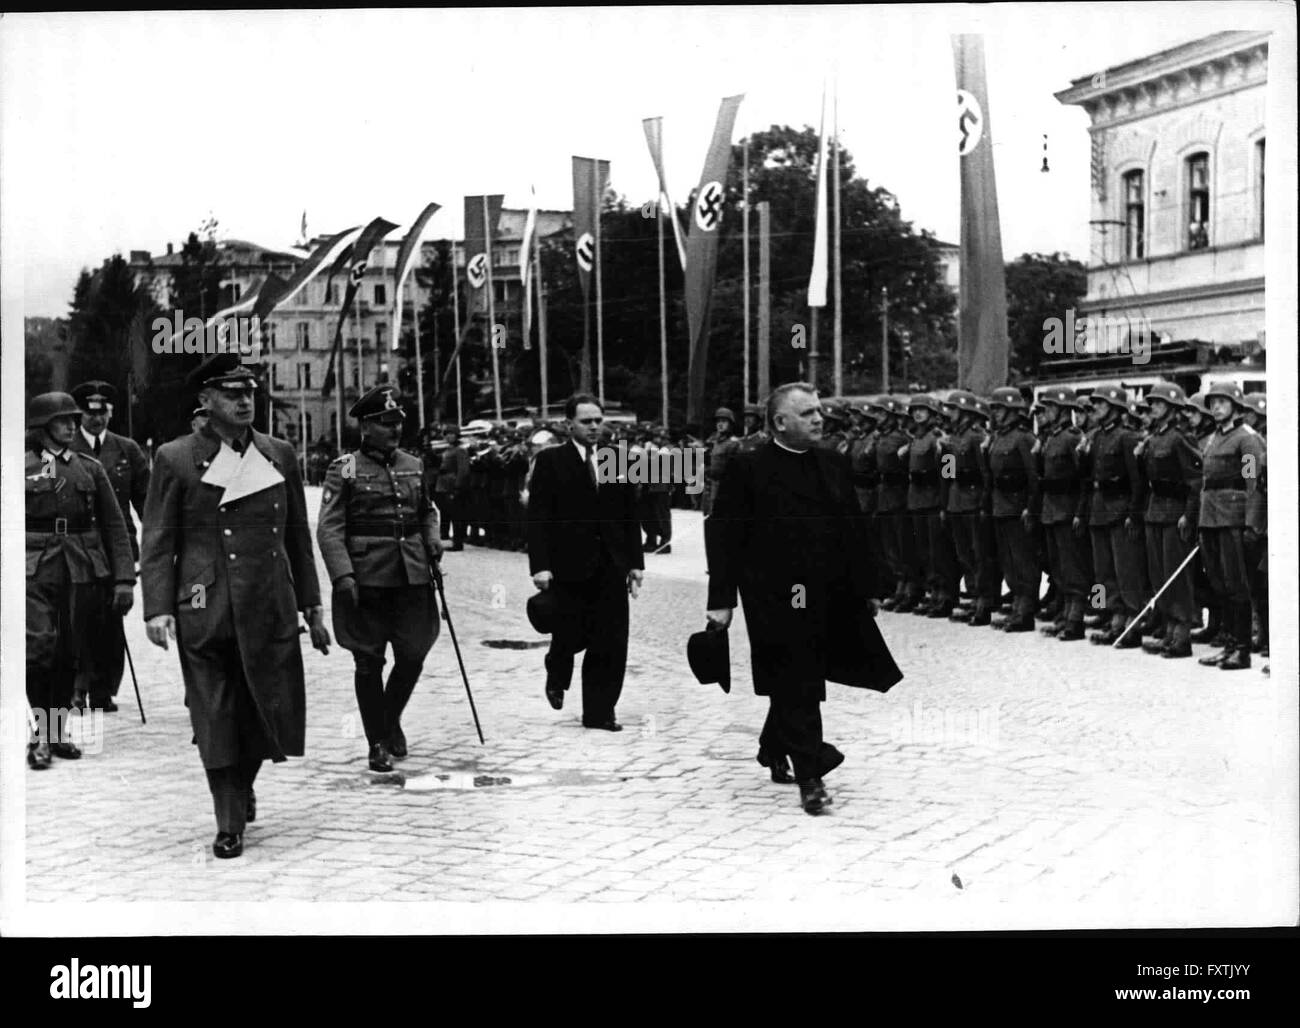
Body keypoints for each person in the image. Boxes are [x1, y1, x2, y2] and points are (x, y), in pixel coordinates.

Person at [141, 354, 331, 860]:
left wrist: (312, 604)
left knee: (265, 709)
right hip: (206, 604)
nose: (245, 401)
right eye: (231, 393)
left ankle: (242, 783)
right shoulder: (176, 457)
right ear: (205, 400)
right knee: (215, 713)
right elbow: (158, 539)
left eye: (249, 391)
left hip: (269, 602)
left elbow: (297, 537)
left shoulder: (278, 453)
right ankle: (229, 821)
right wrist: (157, 607)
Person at [706, 382, 897, 815]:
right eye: (808, 413)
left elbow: (854, 528)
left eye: (818, 411)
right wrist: (722, 600)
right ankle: (811, 775)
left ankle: (774, 744)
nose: (818, 419)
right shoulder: (747, 467)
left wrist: (868, 588)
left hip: (826, 590)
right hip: (774, 595)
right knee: (798, 674)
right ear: (780, 422)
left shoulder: (832, 462)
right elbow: (725, 538)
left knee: (801, 672)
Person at [317, 385, 443, 772]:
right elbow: (329, 528)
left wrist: (432, 537)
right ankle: (377, 741)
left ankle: (389, 719)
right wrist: (342, 576)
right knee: (368, 661)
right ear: (366, 427)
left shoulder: (413, 464)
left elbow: (427, 510)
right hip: (367, 578)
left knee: (414, 652)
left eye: (398, 422)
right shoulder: (346, 467)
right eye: (386, 423)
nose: (395, 430)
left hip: (412, 575)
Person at [25, 392, 136, 769]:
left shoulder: (89, 468)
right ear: (43, 426)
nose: (72, 426)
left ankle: (57, 732)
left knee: (70, 652)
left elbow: (114, 526)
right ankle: (40, 734)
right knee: (39, 647)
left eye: (74, 419)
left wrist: (124, 579)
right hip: (35, 567)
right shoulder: (20, 466)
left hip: (81, 568)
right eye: (63, 420)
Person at [527, 394, 644, 730]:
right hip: (568, 565)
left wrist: (635, 563)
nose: (594, 427)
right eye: (586, 421)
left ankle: (599, 711)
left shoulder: (617, 459)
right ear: (569, 425)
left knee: (611, 641)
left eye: (597, 420)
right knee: (570, 632)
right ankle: (556, 669)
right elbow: (538, 517)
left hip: (611, 564)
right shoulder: (551, 460)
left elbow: (629, 515)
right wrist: (540, 565)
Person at [67, 380, 150, 713]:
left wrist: (157, 542)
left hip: (118, 548)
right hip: (78, 548)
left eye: (103, 413)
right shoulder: (66, 448)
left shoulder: (127, 450)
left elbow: (146, 502)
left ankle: (104, 689)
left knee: (112, 619)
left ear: (111, 413)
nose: (97, 419)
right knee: (77, 617)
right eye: (90, 413)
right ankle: (78, 686)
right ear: (79, 414)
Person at [1195, 382, 1265, 670]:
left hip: (1233, 519)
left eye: (1222, 402)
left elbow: (1253, 483)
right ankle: (1229, 644)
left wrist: (1252, 523)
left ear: (1236, 406)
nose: (1216, 407)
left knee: (1237, 585)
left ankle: (1242, 650)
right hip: (1211, 518)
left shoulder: (1246, 439)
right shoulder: (1214, 438)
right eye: (1213, 402)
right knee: (1220, 584)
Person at [1134, 383, 1202, 659]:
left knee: (1177, 575)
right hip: (1155, 511)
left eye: (1159, 403)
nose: (1153, 407)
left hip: (1175, 513)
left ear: (1173, 408)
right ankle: (1168, 629)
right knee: (1160, 574)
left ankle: (1182, 635)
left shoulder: (1180, 438)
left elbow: (1195, 480)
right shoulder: (1153, 438)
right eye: (1152, 403)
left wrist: (1189, 515)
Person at [1083, 385, 1149, 647]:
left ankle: (1132, 623)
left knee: (1127, 571)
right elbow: (1087, 475)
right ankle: (1112, 617)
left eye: (1101, 404)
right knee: (1103, 571)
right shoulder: (1096, 437)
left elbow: (1137, 481)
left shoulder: (1127, 437)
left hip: (1120, 510)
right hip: (1099, 509)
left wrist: (1134, 514)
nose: (1096, 408)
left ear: (1114, 408)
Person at [984, 387, 1041, 632]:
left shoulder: (1023, 438)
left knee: (1023, 560)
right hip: (1000, 506)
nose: (996, 413)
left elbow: (1033, 478)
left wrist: (1031, 508)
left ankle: (1026, 611)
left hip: (1018, 508)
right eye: (994, 408)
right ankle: (1017, 604)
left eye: (1000, 408)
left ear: (1013, 411)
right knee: (1008, 561)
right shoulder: (997, 437)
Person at [940, 391, 997, 626]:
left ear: (965, 413)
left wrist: (983, 503)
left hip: (973, 501)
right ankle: (974, 597)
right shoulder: (951, 439)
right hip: (956, 502)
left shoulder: (976, 437)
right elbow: (947, 473)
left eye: (953, 409)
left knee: (979, 554)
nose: (950, 413)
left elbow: (986, 474)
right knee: (964, 555)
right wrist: (945, 503)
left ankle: (984, 601)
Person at [906, 394, 958, 617]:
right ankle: (933, 592)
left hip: (935, 499)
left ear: (933, 413)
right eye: (915, 410)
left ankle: (946, 595)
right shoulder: (916, 438)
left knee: (939, 553)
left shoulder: (938, 438)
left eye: (923, 409)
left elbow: (949, 472)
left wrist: (945, 503)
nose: (918, 413)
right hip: (918, 500)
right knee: (925, 552)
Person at [702, 406, 737, 516]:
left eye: (724, 421)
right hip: (711, 485)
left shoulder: (733, 443)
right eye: (718, 421)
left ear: (730, 424)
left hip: (725, 487)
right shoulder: (715, 443)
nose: (720, 424)